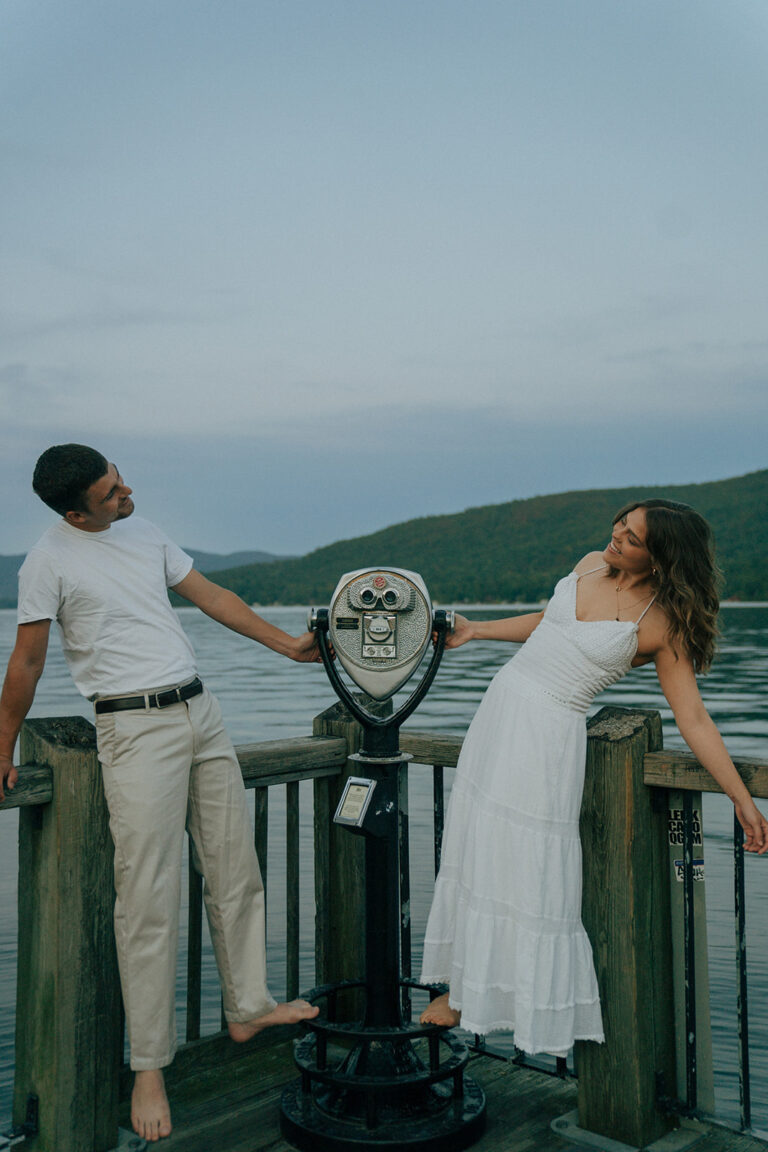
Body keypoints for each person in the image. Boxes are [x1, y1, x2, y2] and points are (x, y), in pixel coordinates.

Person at [0, 444, 321, 1144]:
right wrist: (1, 742)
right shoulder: (46, 563)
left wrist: (288, 647)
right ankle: (149, 1066)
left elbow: (213, 598)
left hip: (200, 712)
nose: (127, 493)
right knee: (146, 898)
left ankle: (247, 1005)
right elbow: (27, 659)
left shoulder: (145, 532)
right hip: (132, 728)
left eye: (119, 480)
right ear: (74, 511)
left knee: (235, 869)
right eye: (111, 492)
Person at [419, 499, 768, 1056]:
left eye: (631, 538)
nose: (616, 538)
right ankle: (464, 990)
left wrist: (742, 799)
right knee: (481, 847)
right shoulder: (587, 563)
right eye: (620, 526)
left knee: (530, 865)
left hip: (550, 735)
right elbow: (548, 624)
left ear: (662, 558)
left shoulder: (662, 623)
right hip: (500, 711)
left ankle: (517, 1000)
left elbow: (694, 718)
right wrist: (476, 631)